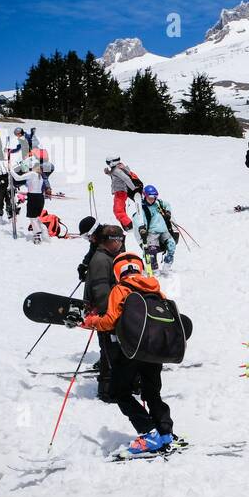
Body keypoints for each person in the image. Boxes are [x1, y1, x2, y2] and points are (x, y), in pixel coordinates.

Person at [74, 251, 176, 455]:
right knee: (152, 392)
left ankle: (149, 433)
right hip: (153, 350)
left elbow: (109, 321)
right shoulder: (155, 289)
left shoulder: (120, 289)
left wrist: (90, 322)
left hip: (129, 350)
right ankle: (165, 432)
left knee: (119, 392)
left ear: (117, 271)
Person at [81, 223, 124, 403]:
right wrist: (108, 313)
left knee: (115, 350)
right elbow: (101, 290)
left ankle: (120, 386)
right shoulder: (101, 260)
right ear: (108, 241)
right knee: (109, 352)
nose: (120, 242)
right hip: (105, 314)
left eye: (121, 239)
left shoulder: (111, 256)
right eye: (117, 240)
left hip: (113, 313)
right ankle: (107, 391)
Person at [135, 184, 178, 270]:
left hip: (164, 231)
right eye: (149, 197)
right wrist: (142, 228)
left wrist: (168, 212)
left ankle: (167, 266)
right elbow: (139, 219)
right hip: (152, 233)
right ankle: (154, 269)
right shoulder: (143, 208)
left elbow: (167, 204)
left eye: (154, 197)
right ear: (145, 196)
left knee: (172, 245)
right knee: (152, 250)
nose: (152, 199)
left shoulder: (158, 203)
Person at [102, 155, 143, 229]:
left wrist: (133, 188)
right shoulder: (115, 169)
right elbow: (116, 177)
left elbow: (126, 179)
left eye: (108, 163)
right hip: (118, 192)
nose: (107, 164)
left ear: (112, 162)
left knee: (118, 211)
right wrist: (108, 173)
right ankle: (127, 224)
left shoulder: (117, 170)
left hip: (121, 192)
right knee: (117, 210)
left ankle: (130, 225)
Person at [18, 156, 48, 242]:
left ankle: (37, 234)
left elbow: (18, 178)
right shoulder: (40, 175)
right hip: (40, 198)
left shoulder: (32, 174)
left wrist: (10, 171)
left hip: (33, 198)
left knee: (32, 217)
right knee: (36, 217)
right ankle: (44, 231)